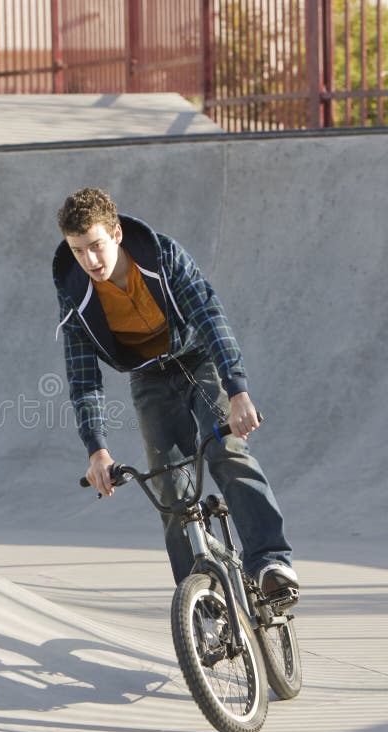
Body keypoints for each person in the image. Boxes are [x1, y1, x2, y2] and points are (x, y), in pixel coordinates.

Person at [53, 187, 297, 598]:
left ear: (116, 234)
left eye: (96, 246)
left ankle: (270, 561)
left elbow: (209, 316)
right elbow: (83, 379)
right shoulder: (74, 291)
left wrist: (237, 392)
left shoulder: (161, 256)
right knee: (168, 488)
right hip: (148, 377)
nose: (90, 260)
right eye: (78, 251)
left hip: (196, 360)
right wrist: (97, 451)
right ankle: (201, 599)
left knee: (226, 450)